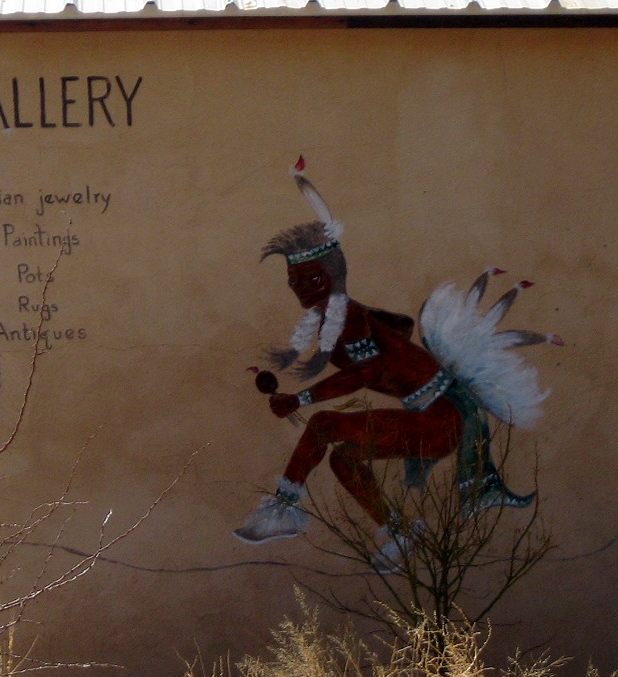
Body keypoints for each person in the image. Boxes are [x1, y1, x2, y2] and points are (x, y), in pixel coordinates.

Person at [235, 162, 560, 562]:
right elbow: (397, 332)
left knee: (323, 425)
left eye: (312, 280)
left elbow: (367, 371)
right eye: (294, 280)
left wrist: (301, 400)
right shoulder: (336, 315)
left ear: (333, 276)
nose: (301, 289)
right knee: (345, 460)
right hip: (434, 417)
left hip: (438, 419)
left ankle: (283, 510)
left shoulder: (348, 317)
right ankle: (400, 532)